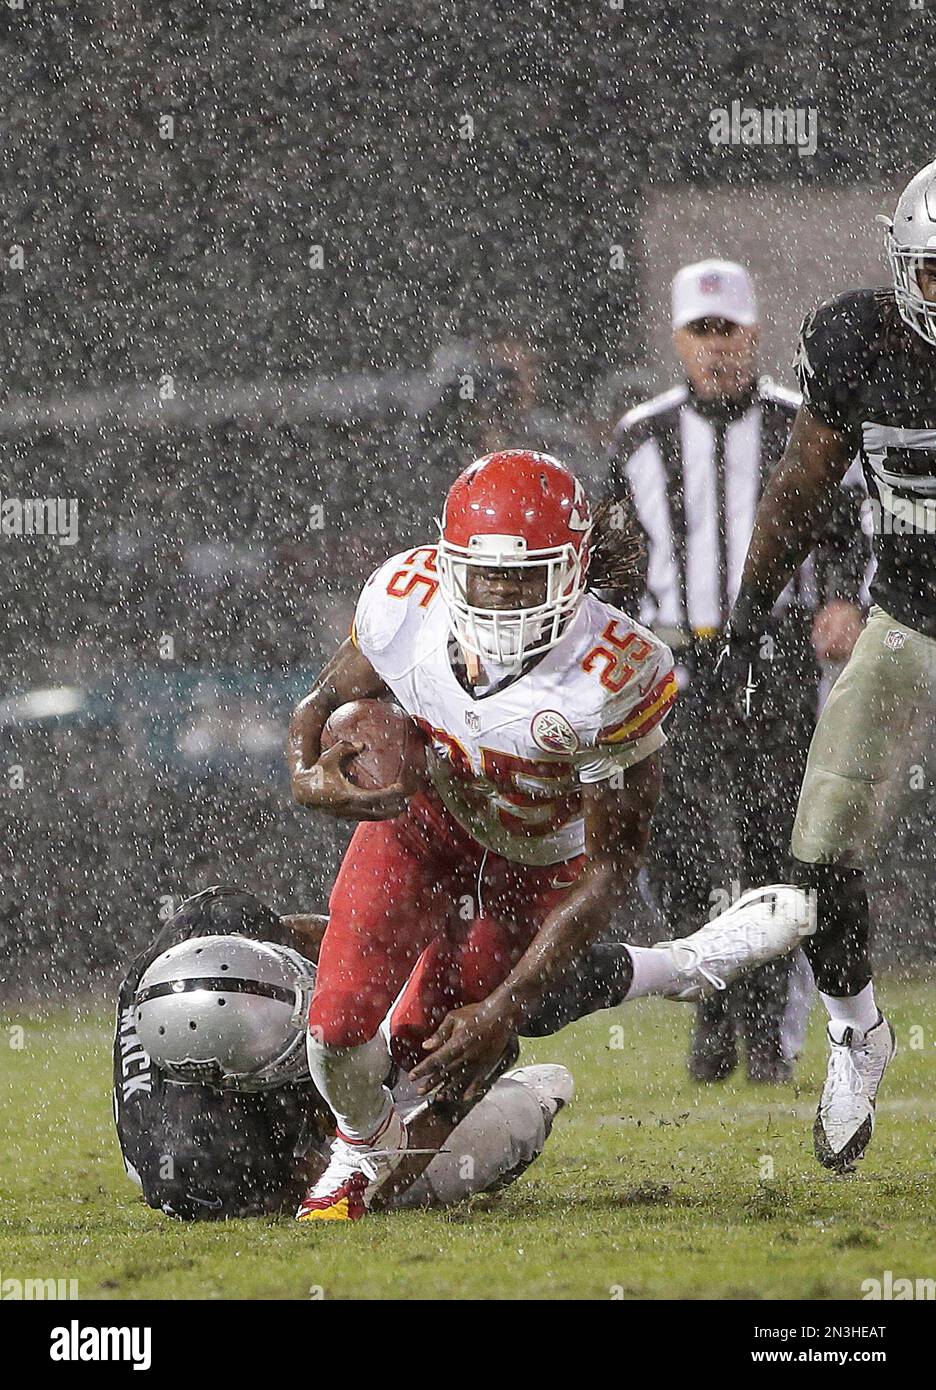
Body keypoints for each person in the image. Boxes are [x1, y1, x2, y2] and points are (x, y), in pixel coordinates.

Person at [287, 448, 813, 1220]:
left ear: (574, 569)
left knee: (435, 1055)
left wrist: (504, 1006)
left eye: (525, 576)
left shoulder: (615, 674)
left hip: (532, 865)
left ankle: (684, 967)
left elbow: (610, 869)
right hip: (425, 824)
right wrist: (307, 776)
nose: (501, 597)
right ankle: (362, 1148)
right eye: (485, 574)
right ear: (446, 559)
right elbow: (319, 704)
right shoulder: (406, 603)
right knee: (334, 1029)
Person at [719, 160, 936, 1170]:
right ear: (901, 271)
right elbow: (802, 486)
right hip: (910, 623)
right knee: (816, 859)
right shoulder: (858, 340)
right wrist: (745, 621)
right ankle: (858, 1037)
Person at [605, 260, 866, 1084]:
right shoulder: (640, 434)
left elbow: (850, 524)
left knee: (773, 834)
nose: (717, 347)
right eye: (701, 331)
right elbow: (610, 550)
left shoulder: (802, 421)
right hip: (672, 653)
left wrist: (840, 601)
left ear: (754, 332)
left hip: (771, 648)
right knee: (670, 836)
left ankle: (762, 1031)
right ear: (679, 339)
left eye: (729, 329)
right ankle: (709, 997)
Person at [114, 886, 575, 1220]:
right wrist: (454, 1099)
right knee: (519, 1108)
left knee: (478, 978)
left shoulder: (216, 922)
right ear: (242, 1080)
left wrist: (407, 965)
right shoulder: (201, 1158)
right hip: (249, 1155)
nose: (311, 1011)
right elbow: (353, 1182)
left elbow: (315, 934)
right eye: (294, 1045)